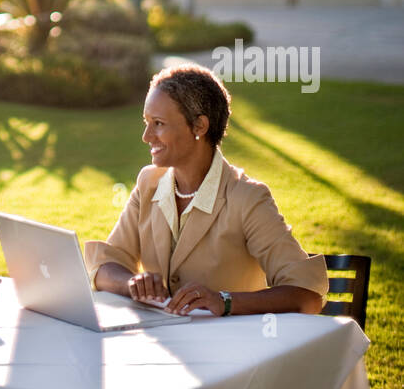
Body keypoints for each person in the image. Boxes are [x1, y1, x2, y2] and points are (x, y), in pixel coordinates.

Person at [85, 63, 329, 316]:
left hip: (234, 350)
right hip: (164, 346)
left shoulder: (247, 198)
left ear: (199, 126)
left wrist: (225, 301)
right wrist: (132, 284)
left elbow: (306, 295)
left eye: (158, 123)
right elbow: (104, 266)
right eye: (146, 122)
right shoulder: (149, 183)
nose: (147, 136)